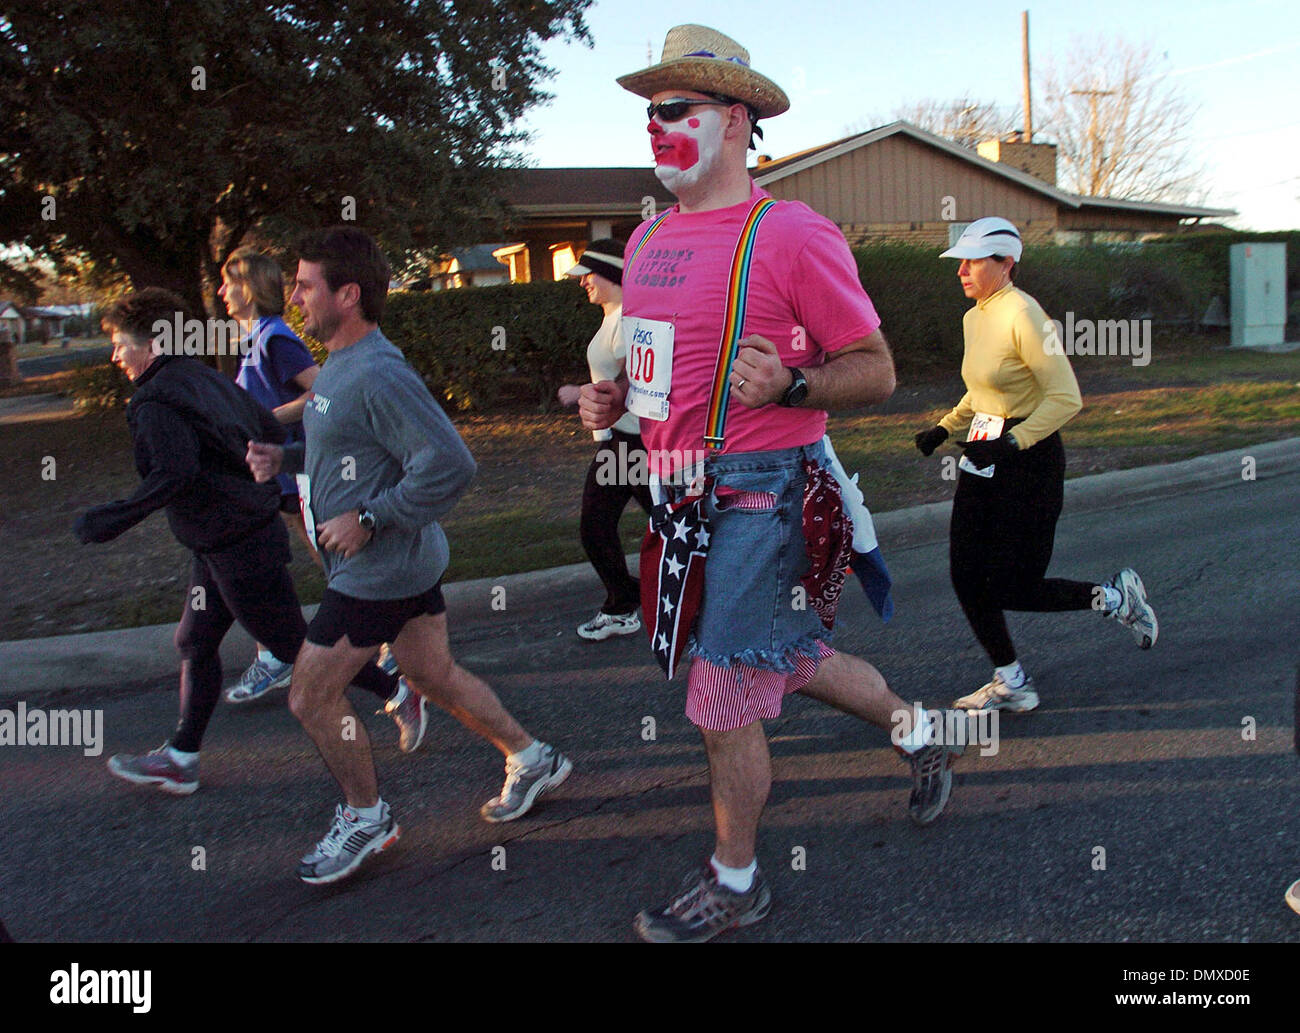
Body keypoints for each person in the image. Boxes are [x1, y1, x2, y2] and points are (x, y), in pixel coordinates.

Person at [583, 25, 963, 943]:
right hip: (677, 491)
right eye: (649, 111)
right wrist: (612, 404)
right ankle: (921, 733)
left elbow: (875, 368)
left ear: (736, 119)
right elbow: (654, 378)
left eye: (676, 109)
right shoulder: (645, 241)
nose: (656, 126)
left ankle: (738, 880)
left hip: (764, 492)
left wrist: (796, 384)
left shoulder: (791, 233)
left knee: (720, 691)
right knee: (786, 661)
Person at [246, 227, 572, 885]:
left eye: (307, 284)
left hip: (380, 568)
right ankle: (531, 755)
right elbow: (354, 450)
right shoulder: (339, 362)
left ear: (349, 293)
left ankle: (367, 817)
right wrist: (282, 458)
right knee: (431, 674)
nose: (296, 296)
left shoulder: (378, 371)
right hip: (399, 561)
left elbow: (451, 462)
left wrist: (369, 518)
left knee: (311, 695)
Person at [75, 288, 399, 794]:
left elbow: (175, 472)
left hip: (237, 540)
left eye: (121, 344)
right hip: (228, 536)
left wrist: (112, 518)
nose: (116, 355)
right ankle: (182, 757)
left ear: (153, 344)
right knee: (195, 640)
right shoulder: (203, 378)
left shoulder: (156, 399)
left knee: (292, 642)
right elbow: (259, 424)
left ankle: (399, 690)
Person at [913, 216, 1159, 714]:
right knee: (965, 574)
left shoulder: (1024, 315)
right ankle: (1012, 682)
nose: (961, 269)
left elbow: (1067, 398)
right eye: (959, 260)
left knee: (1012, 585)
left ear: (1005, 263)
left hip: (1030, 461)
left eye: (973, 260)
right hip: (985, 451)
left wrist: (1013, 443)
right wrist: (946, 425)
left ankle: (1115, 600)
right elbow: (985, 389)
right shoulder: (975, 316)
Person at [217, 249, 424, 748]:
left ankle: (360, 660)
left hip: (311, 476)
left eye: (228, 283)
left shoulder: (274, 339)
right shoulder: (256, 339)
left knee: (341, 569)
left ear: (248, 286)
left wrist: (264, 422)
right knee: (329, 568)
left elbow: (320, 393)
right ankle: (366, 653)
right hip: (289, 474)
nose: (222, 293)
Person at [556, 238, 654, 640]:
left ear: (613, 274)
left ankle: (627, 605)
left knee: (601, 527)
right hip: (621, 442)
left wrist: (580, 392)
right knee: (655, 522)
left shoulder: (629, 320)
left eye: (588, 275)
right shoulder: (615, 315)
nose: (583, 284)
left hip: (633, 445)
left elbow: (641, 382)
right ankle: (629, 601)